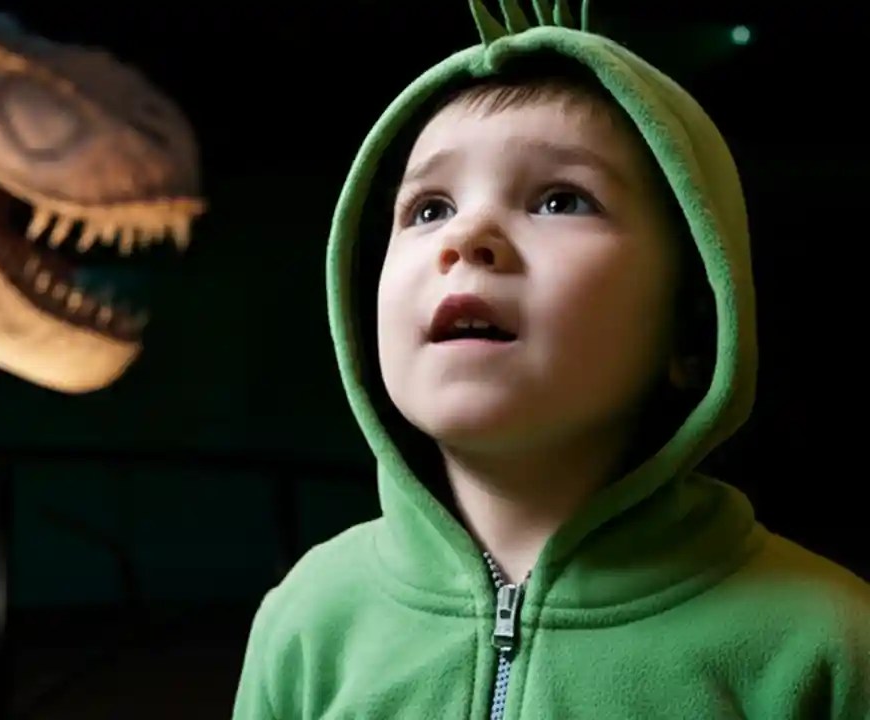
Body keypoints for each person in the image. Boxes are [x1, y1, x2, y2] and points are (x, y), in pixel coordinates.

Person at [232, 2, 870, 718]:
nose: (468, 236)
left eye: (561, 200)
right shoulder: (307, 620)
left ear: (694, 325)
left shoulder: (829, 644)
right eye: (429, 208)